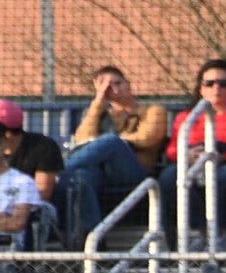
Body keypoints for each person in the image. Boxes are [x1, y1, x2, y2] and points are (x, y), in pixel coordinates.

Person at [158, 59, 226, 250]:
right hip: (193, 163)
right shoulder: (186, 118)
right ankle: (205, 231)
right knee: (169, 177)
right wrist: (188, 155)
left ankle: (216, 231)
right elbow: (172, 150)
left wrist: (222, 157)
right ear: (200, 88)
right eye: (210, 83)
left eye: (223, 83)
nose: (217, 88)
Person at [65, 65, 168, 244]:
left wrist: (114, 142)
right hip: (101, 173)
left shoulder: (153, 110)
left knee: (111, 141)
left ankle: (59, 170)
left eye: (118, 83)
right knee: (82, 177)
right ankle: (93, 241)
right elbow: (82, 139)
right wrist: (98, 101)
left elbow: (148, 137)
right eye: (105, 86)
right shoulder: (100, 114)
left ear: (128, 84)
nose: (113, 89)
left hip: (133, 170)